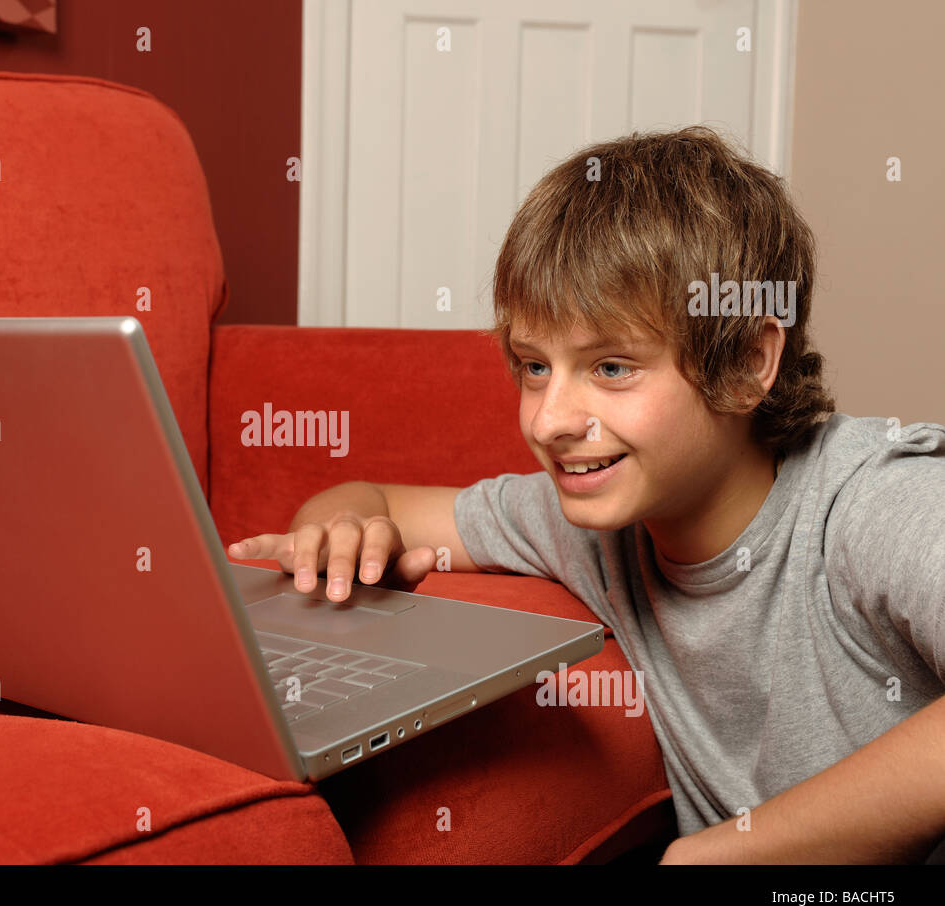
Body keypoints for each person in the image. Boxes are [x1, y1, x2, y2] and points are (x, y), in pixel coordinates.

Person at [228, 126, 945, 864]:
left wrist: (711, 855)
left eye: (611, 368)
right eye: (534, 367)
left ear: (745, 362)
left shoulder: (875, 502)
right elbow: (373, 497)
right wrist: (343, 526)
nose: (549, 422)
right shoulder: (587, 522)